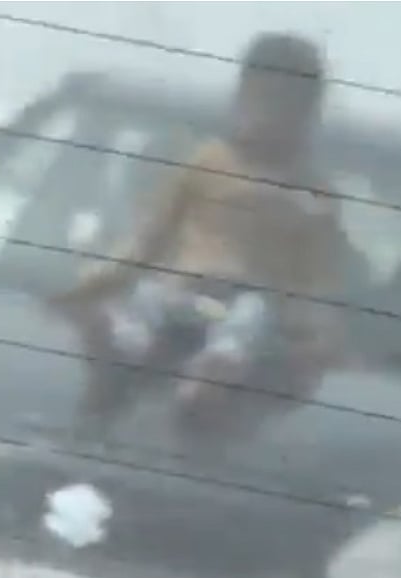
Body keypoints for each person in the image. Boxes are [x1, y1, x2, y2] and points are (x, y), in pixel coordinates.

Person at [53, 32, 349, 437]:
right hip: (182, 289)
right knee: (146, 299)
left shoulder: (312, 193)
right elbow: (148, 240)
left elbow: (316, 281)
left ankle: (213, 373)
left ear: (308, 116)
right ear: (240, 99)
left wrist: (317, 335)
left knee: (250, 318)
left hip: (251, 301)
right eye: (261, 102)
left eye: (286, 108)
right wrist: (93, 287)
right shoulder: (206, 164)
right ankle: (119, 346)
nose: (270, 118)